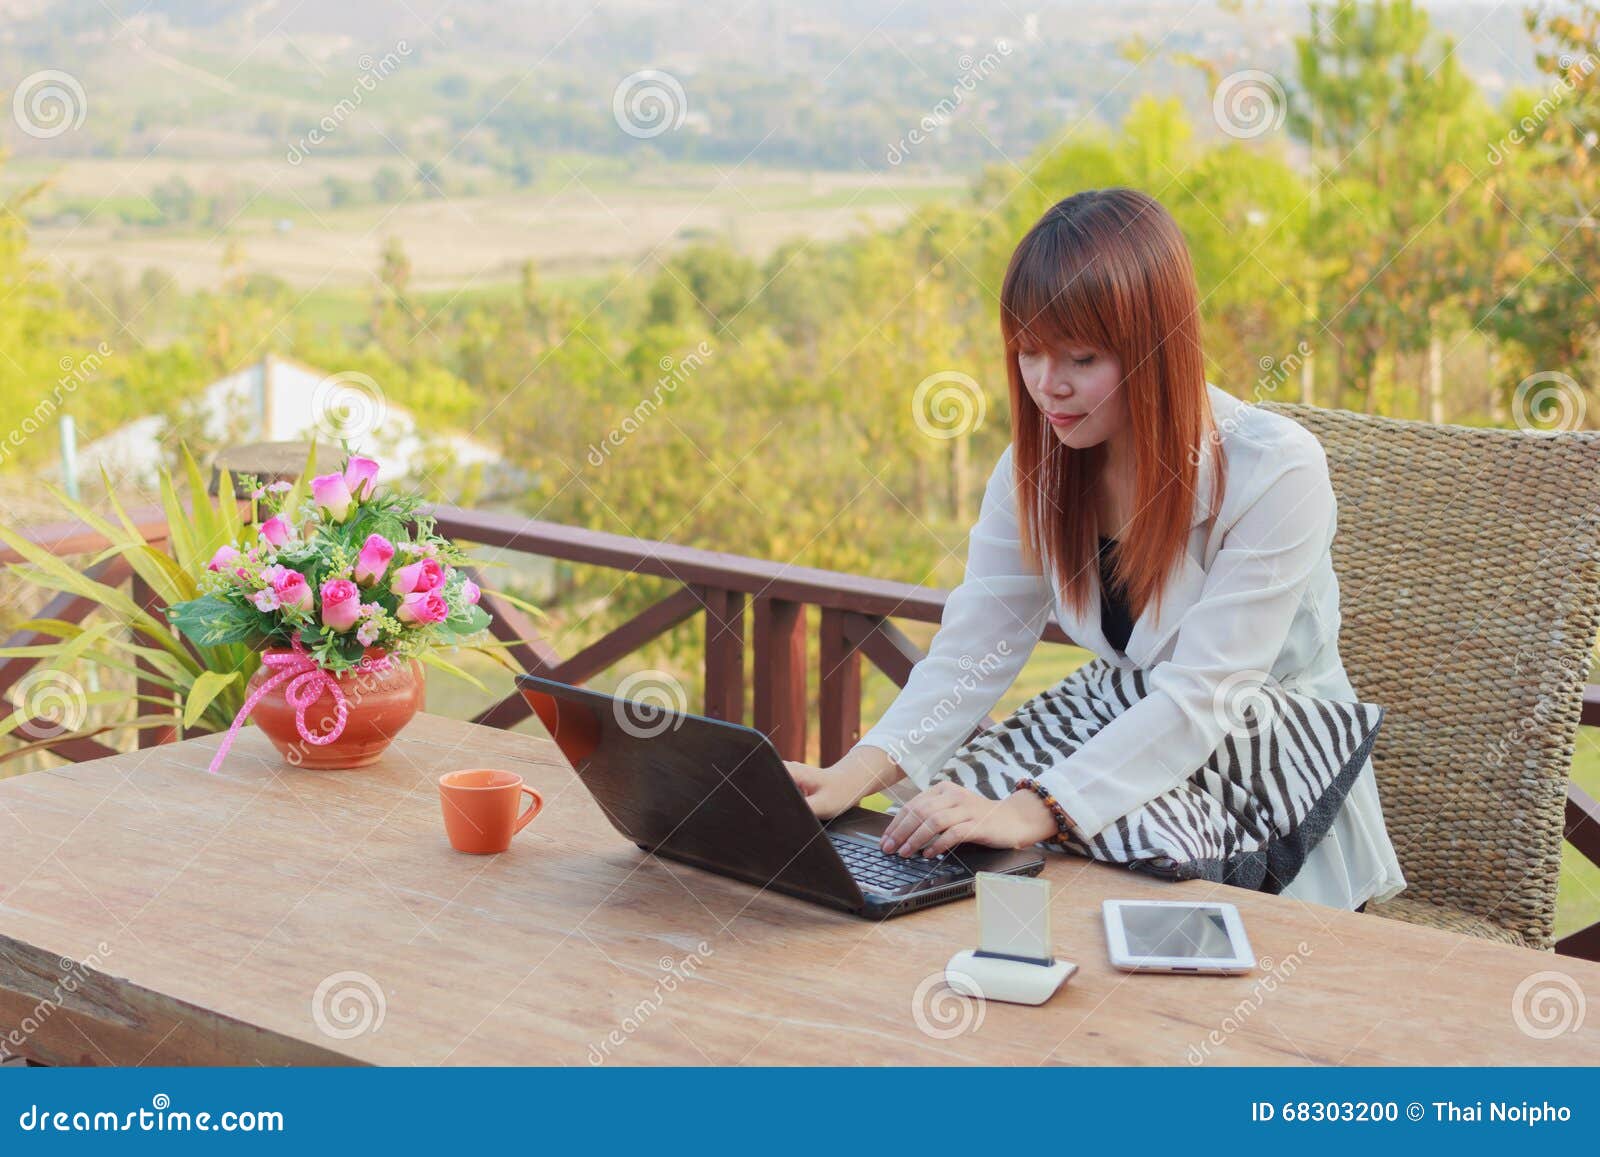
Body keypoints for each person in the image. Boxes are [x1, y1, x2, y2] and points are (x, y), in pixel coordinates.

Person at [783, 187, 1407, 911]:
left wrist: (1032, 805)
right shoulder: (1039, 465)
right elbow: (974, 647)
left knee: (1042, 855)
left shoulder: (1276, 470)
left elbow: (1206, 693)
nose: (1049, 385)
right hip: (1123, 729)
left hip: (1264, 755)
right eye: (1030, 352)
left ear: (1159, 347)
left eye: (1081, 356)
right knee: (942, 834)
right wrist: (854, 773)